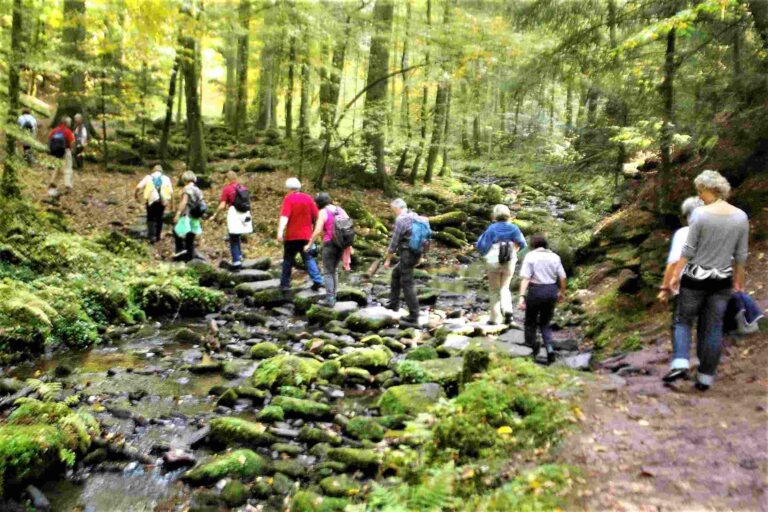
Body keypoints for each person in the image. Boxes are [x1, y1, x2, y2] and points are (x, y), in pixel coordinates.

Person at [664, 170, 749, 391]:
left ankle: (681, 362)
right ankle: (705, 378)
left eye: (700, 191)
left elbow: (689, 249)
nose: (699, 196)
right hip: (722, 279)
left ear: (710, 190)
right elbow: (741, 253)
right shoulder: (740, 216)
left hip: (695, 278)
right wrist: (738, 280)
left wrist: (675, 276)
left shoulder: (701, 215)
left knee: (683, 320)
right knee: (713, 327)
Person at [518, 235, 567, 365]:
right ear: (546, 245)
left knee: (530, 322)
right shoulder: (555, 257)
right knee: (545, 323)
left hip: (536, 291)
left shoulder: (530, 256)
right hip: (551, 290)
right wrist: (562, 293)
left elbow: (526, 278)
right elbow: (562, 277)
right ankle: (550, 350)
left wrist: (521, 297)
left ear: (533, 245)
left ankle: (531, 350)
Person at [476, 204, 528, 325]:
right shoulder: (514, 228)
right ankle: (508, 312)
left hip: (493, 259)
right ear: (508, 215)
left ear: (495, 216)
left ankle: (495, 318)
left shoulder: (491, 229)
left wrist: (484, 255)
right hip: (509, 258)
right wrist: (516, 252)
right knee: (505, 287)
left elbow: (482, 246)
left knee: (494, 289)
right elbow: (524, 245)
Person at [305, 193, 352, 307]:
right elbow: (349, 227)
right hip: (341, 244)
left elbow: (317, 230)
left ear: (319, 203)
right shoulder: (340, 209)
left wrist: (309, 244)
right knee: (334, 270)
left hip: (330, 244)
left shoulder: (323, 212)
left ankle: (330, 299)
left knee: (327, 272)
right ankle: (334, 295)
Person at [277, 178, 324, 291]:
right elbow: (317, 216)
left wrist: (280, 231)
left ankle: (285, 284)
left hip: (292, 236)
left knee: (288, 259)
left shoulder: (289, 199)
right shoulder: (307, 198)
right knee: (308, 258)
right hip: (306, 236)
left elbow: (285, 217)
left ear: (289, 189)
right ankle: (317, 280)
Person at [384, 198, 422, 326]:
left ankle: (414, 315)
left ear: (397, 208)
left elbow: (394, 241)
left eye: (393, 209)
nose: (393, 212)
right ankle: (393, 304)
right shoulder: (415, 216)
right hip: (416, 252)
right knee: (396, 273)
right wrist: (421, 256)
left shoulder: (401, 219)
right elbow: (426, 238)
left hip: (407, 253)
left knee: (407, 283)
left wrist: (388, 259)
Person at [210, 171, 253, 268]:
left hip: (234, 214)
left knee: (232, 237)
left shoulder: (227, 189)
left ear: (227, 179)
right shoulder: (243, 188)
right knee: (237, 236)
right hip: (244, 214)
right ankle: (240, 256)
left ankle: (236, 261)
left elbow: (222, 206)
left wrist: (215, 215)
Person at [135, 165, 174, 243]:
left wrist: (136, 195)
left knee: (150, 217)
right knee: (159, 218)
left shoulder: (148, 177)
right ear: (161, 171)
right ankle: (158, 237)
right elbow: (171, 192)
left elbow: (138, 187)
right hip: (162, 201)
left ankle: (151, 236)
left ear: (153, 171)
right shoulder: (166, 178)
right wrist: (172, 205)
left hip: (151, 201)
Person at [173, 171, 205, 262]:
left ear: (184, 179)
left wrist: (178, 213)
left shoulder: (187, 188)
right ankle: (190, 257)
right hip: (195, 216)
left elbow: (184, 202)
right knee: (190, 237)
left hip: (187, 215)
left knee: (176, 230)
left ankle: (180, 250)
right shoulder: (197, 189)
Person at [48, 116, 76, 196]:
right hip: (66, 151)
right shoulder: (68, 131)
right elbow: (72, 142)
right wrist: (73, 150)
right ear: (67, 123)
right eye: (69, 122)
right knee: (68, 168)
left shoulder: (55, 130)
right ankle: (68, 186)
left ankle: (53, 183)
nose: (70, 124)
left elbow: (49, 139)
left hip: (56, 152)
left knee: (58, 168)